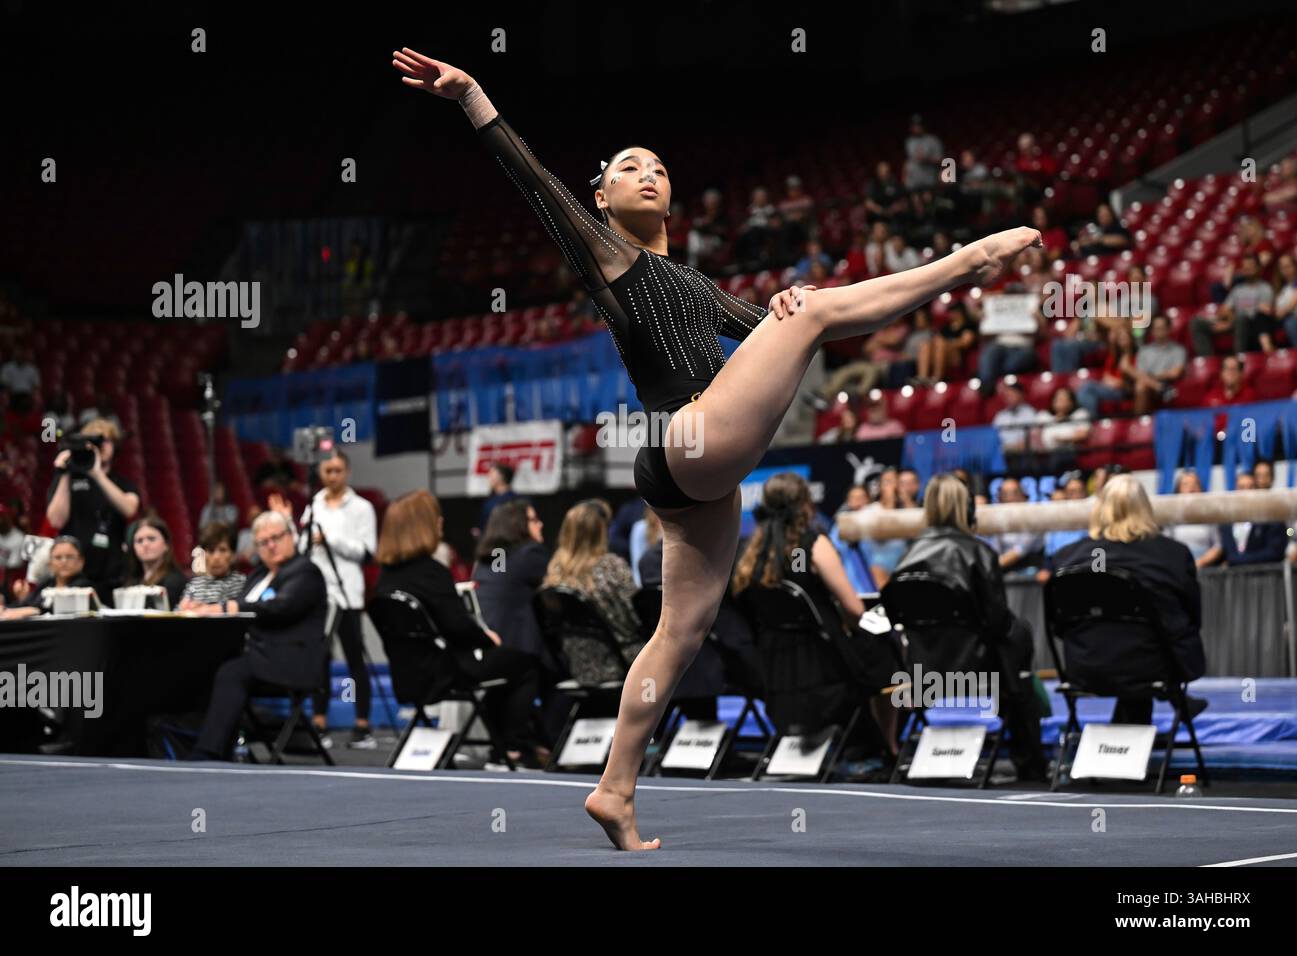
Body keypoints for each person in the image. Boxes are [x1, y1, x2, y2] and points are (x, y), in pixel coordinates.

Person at [395, 47, 1043, 849]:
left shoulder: (693, 284)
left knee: (680, 633)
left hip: (692, 471)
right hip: (687, 435)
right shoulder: (611, 259)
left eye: (658, 166)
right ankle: (967, 259)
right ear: (600, 198)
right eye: (627, 168)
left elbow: (765, 323)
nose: (648, 174)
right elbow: (533, 182)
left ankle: (615, 790)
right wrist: (472, 95)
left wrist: (780, 305)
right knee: (809, 316)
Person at [885, 474, 1048, 779]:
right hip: (976, 671)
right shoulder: (979, 553)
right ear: (968, 509)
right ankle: (1032, 765)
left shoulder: (907, 558)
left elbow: (894, 619)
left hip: (923, 673)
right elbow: (998, 622)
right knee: (1019, 656)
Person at [374, 490, 549, 768]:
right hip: (443, 674)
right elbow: (457, 628)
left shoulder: (384, 579)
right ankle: (512, 748)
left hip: (406, 674)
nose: (441, 522)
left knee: (500, 669)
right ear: (423, 526)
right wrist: (486, 637)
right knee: (525, 664)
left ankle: (504, 746)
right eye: (436, 517)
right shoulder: (432, 572)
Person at [731, 472, 899, 754]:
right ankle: (886, 748)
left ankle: (870, 742)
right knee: (887, 652)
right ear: (805, 504)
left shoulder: (751, 552)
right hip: (826, 666)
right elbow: (854, 608)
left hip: (775, 670)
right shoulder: (812, 544)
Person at [1051, 475, 1206, 725]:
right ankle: (1173, 702)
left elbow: (1057, 626)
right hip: (1152, 666)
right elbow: (1192, 617)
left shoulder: (1066, 558)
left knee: (1128, 640)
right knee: (1142, 642)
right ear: (1145, 509)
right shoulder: (1172, 555)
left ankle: (1125, 737)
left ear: (1100, 509)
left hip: (1086, 666)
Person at [188, 510, 329, 761]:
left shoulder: (305, 572)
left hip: (292, 659)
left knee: (233, 672)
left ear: (291, 536)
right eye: (263, 542)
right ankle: (212, 745)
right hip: (259, 655)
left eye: (276, 537)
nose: (271, 545)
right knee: (208, 666)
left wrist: (231, 607)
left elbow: (281, 607)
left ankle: (207, 753)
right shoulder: (258, 575)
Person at [272, 450, 377, 750]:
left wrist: (330, 538)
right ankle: (319, 720)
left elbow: (366, 551)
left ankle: (362, 723)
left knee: (355, 658)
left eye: (338, 470)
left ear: (348, 471)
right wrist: (287, 523)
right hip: (319, 595)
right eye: (327, 471)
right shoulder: (314, 504)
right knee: (320, 659)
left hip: (348, 594)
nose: (332, 476)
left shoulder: (362, 508)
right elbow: (302, 546)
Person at [541, 500, 643, 683]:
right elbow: (636, 618)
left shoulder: (554, 572)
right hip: (620, 661)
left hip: (577, 666)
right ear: (602, 531)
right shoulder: (611, 567)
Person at [44, 417, 141, 604]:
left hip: (111, 572)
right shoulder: (68, 480)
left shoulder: (121, 482)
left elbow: (129, 509)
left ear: (115, 446)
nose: (101, 446)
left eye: (105, 440)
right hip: (73, 572)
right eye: (95, 441)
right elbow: (56, 520)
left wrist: (97, 473)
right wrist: (65, 473)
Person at [471, 498, 551, 665]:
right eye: (534, 520)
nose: (541, 524)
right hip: (517, 649)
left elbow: (502, 580)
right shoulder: (530, 554)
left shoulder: (493, 556)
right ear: (518, 524)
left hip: (487, 643)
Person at [1191, 253, 1275, 356]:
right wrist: (1230, 320)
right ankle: (1209, 362)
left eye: (1251, 266)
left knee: (1241, 318)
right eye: (1245, 267)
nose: (1247, 269)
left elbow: (1262, 312)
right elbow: (1223, 310)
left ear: (1258, 268)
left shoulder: (1265, 288)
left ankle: (1239, 358)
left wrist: (1231, 320)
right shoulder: (1238, 289)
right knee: (1196, 322)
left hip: (1250, 326)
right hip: (1233, 322)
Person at [1, 536, 94, 620]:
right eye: (58, 557)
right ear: (50, 563)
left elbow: (58, 609)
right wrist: (4, 608)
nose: (64, 562)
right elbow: (24, 605)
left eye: (70, 557)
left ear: (81, 561)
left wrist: (34, 611)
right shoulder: (46, 585)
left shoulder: (85, 587)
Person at [1218, 471, 1288, 565]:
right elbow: (1228, 554)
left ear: (1257, 489)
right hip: (1235, 576)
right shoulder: (1226, 523)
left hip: (1266, 574)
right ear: (1235, 490)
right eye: (1241, 487)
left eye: (1251, 487)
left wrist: (1240, 560)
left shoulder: (1271, 518)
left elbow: (1275, 553)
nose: (1246, 492)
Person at [123, 515, 188, 609]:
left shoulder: (175, 581)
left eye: (151, 539)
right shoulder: (132, 581)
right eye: (139, 541)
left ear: (166, 545)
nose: (145, 544)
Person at [179, 522, 248, 609]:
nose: (216, 557)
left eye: (223, 550)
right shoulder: (195, 584)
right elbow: (178, 613)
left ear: (233, 555)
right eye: (211, 550)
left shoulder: (241, 583)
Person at [1163, 470, 1223, 568]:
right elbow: (1166, 546)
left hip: (1205, 567)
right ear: (1178, 490)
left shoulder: (1209, 515)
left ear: (1200, 489)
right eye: (1186, 484)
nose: (1191, 488)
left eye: (1195, 484)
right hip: (1179, 567)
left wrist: (1200, 562)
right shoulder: (1172, 516)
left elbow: (1218, 546)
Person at [1133, 314, 1186, 414]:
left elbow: (1175, 373)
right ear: (1152, 331)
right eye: (1156, 328)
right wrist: (1154, 382)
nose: (1159, 331)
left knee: (1142, 383)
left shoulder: (1179, 350)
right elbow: (1140, 374)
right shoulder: (1144, 351)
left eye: (1162, 328)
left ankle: (1138, 422)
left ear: (1169, 329)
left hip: (1169, 384)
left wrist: (1153, 377)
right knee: (1140, 385)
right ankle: (1140, 423)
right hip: (1149, 387)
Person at [476, 462, 518, 535]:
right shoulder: (489, 503)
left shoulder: (518, 501)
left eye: (491, 474)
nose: (488, 478)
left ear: (501, 477)